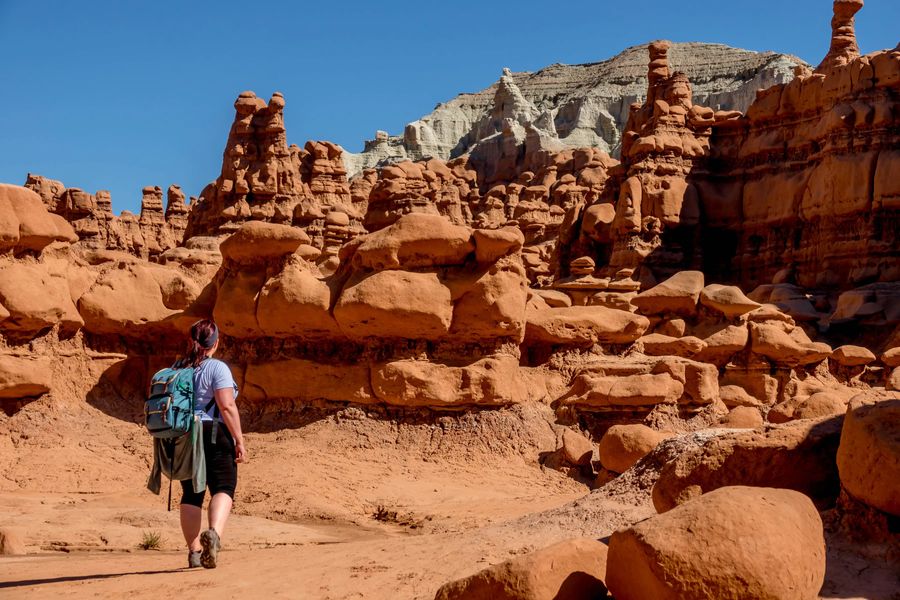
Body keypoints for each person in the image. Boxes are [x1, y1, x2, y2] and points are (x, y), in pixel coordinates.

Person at [179, 319, 246, 569]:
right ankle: (214, 534)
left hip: (185, 433)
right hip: (214, 431)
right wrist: (239, 439)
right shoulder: (217, 368)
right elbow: (226, 406)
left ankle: (194, 552)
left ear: (191, 341)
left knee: (191, 493)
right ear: (215, 343)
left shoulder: (178, 367)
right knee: (223, 486)